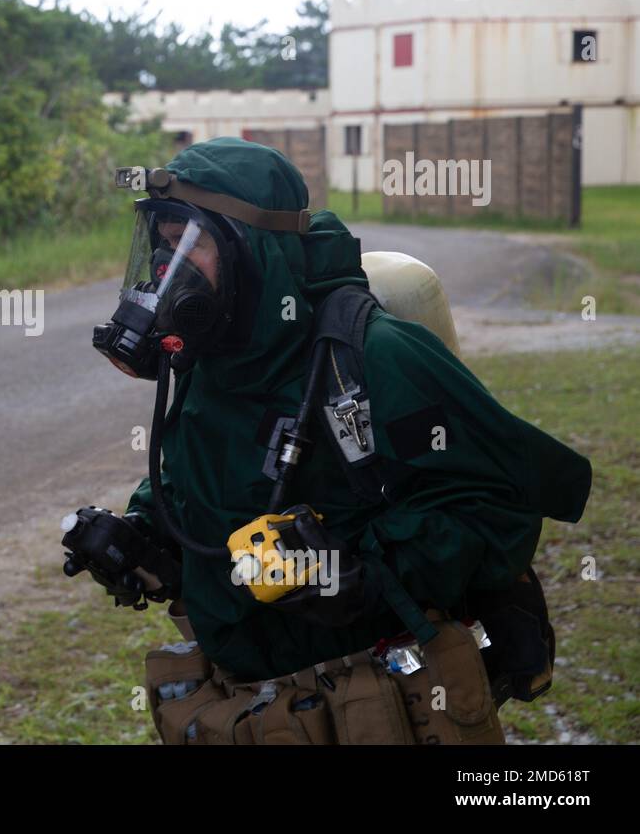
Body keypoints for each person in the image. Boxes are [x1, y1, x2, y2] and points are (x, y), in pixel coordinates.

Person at [70, 138, 591, 745]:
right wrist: (143, 534)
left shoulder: (373, 357)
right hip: (249, 707)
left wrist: (364, 572)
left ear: (253, 249)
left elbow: (499, 506)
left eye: (193, 240)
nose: (168, 267)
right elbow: (211, 479)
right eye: (162, 243)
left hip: (375, 701)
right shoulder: (215, 357)